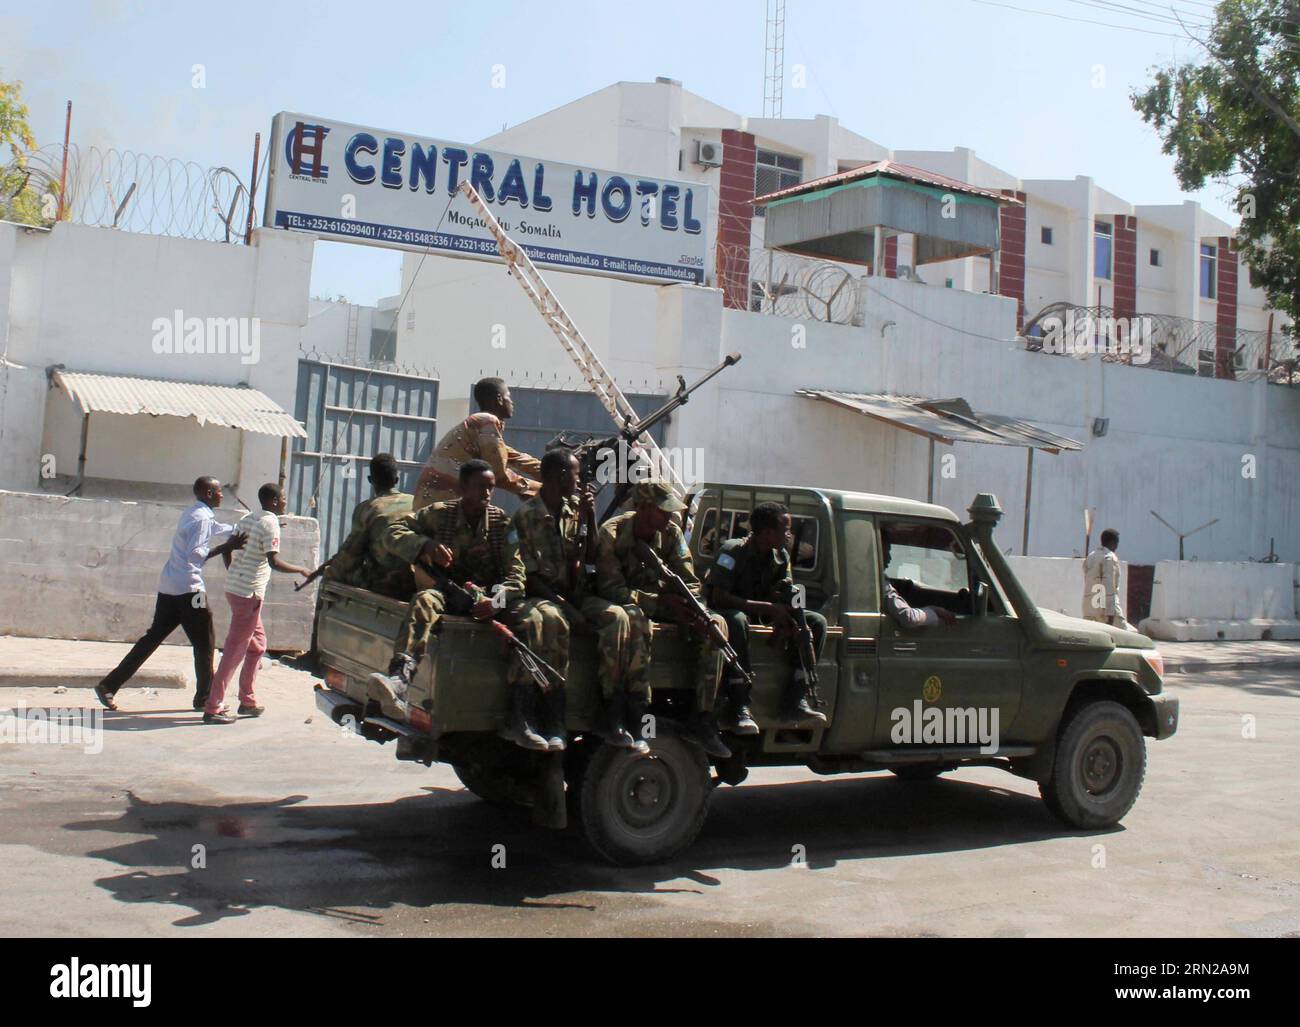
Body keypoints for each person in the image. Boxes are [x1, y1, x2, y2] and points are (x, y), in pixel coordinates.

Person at [506, 450, 648, 753]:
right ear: (559, 476)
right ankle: (550, 716)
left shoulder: (574, 510)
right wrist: (566, 606)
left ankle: (610, 710)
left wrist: (589, 517)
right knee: (552, 620)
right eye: (575, 473)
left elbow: (592, 557)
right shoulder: (526, 516)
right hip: (542, 594)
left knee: (619, 618)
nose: (580, 480)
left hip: (577, 594)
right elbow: (528, 575)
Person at [369, 459, 524, 719]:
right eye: (479, 487)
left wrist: (496, 601)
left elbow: (517, 575)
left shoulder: (502, 524)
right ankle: (400, 678)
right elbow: (392, 532)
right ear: (463, 488)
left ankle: (521, 708)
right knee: (424, 600)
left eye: (491, 488)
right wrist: (425, 545)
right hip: (446, 592)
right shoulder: (439, 514)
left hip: (486, 601)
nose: (486, 494)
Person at [595, 479, 732, 759]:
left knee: (715, 624)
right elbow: (611, 589)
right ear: (644, 507)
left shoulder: (670, 532)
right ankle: (629, 710)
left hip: (663, 601)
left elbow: (689, 579)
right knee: (633, 619)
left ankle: (703, 717)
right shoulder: (613, 532)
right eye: (663, 510)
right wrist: (658, 602)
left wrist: (692, 608)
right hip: (625, 602)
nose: (670, 516)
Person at [94, 477, 247, 712]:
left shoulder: (194, 513)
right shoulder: (203, 518)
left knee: (151, 639)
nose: (222, 495)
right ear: (208, 493)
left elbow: (217, 528)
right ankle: (205, 698)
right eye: (218, 491)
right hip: (190, 589)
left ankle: (108, 685)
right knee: (205, 643)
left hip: (169, 587)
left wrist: (241, 529)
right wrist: (227, 547)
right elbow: (196, 555)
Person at [706, 502, 827, 733]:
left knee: (816, 622)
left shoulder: (780, 555)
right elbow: (719, 596)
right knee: (737, 619)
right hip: (728, 613)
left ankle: (795, 700)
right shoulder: (733, 550)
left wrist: (791, 617)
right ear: (768, 532)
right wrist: (769, 608)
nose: (789, 535)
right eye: (785, 529)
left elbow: (787, 591)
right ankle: (739, 703)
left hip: (763, 613)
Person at [203, 484, 311, 725]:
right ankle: (213, 707)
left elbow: (227, 549)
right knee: (234, 651)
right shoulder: (269, 523)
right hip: (249, 594)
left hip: (236, 589)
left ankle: (247, 700)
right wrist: (302, 569)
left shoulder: (248, 519)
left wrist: (235, 572)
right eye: (282, 498)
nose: (285, 501)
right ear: (273, 501)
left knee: (258, 646)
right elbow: (274, 562)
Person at [412, 377, 542, 511]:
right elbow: (498, 474)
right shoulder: (486, 421)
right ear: (499, 399)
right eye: (509, 397)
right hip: (440, 506)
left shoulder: (479, 427)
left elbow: (514, 457)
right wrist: (543, 491)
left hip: (434, 502)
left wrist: (546, 470)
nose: (512, 402)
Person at [323, 453, 414, 598]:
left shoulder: (368, 508)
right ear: (396, 480)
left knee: (329, 577)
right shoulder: (415, 503)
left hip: (383, 583)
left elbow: (351, 554)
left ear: (370, 480)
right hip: (414, 582)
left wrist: (331, 572)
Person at [880, 530, 958, 629]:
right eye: (886, 551)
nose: (889, 558)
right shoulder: (877, 582)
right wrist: (934, 612)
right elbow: (908, 618)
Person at [1083, 528, 1125, 626]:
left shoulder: (1091, 556)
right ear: (1112, 542)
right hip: (1105, 609)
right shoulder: (1109, 558)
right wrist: (1110, 613)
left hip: (1089, 607)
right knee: (1124, 636)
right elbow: (1108, 586)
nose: (1117, 546)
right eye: (1116, 542)